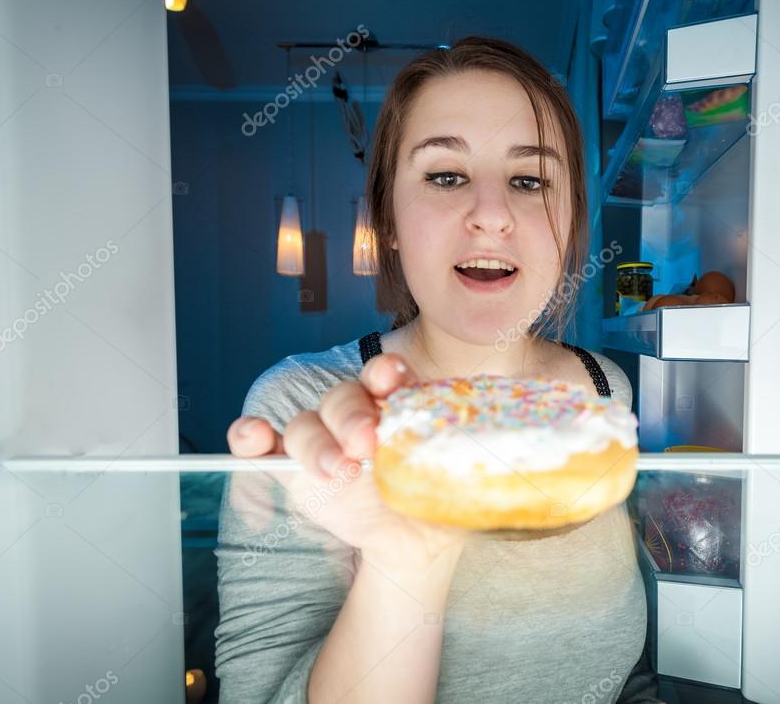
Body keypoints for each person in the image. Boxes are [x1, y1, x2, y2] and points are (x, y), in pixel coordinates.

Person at [214, 36, 661, 704]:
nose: (492, 216)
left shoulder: (603, 390)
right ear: (388, 219)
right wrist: (406, 559)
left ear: (570, 221)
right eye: (446, 176)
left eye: (530, 180)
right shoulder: (299, 408)